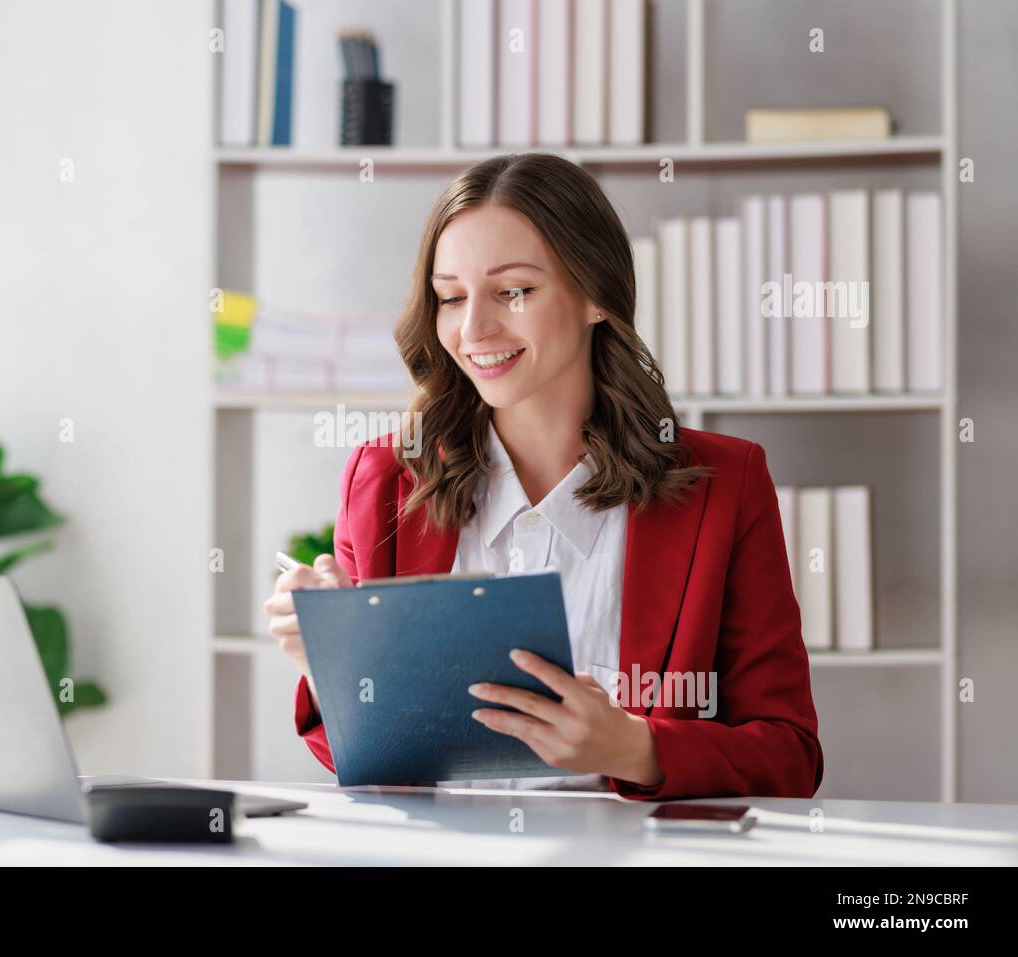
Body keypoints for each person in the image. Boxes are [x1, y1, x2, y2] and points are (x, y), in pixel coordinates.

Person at [261, 153, 823, 800]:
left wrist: (635, 747)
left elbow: (790, 755)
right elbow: (380, 770)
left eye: (513, 291)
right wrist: (335, 666)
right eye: (450, 297)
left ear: (594, 295)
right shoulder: (384, 478)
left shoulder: (723, 486)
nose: (473, 328)